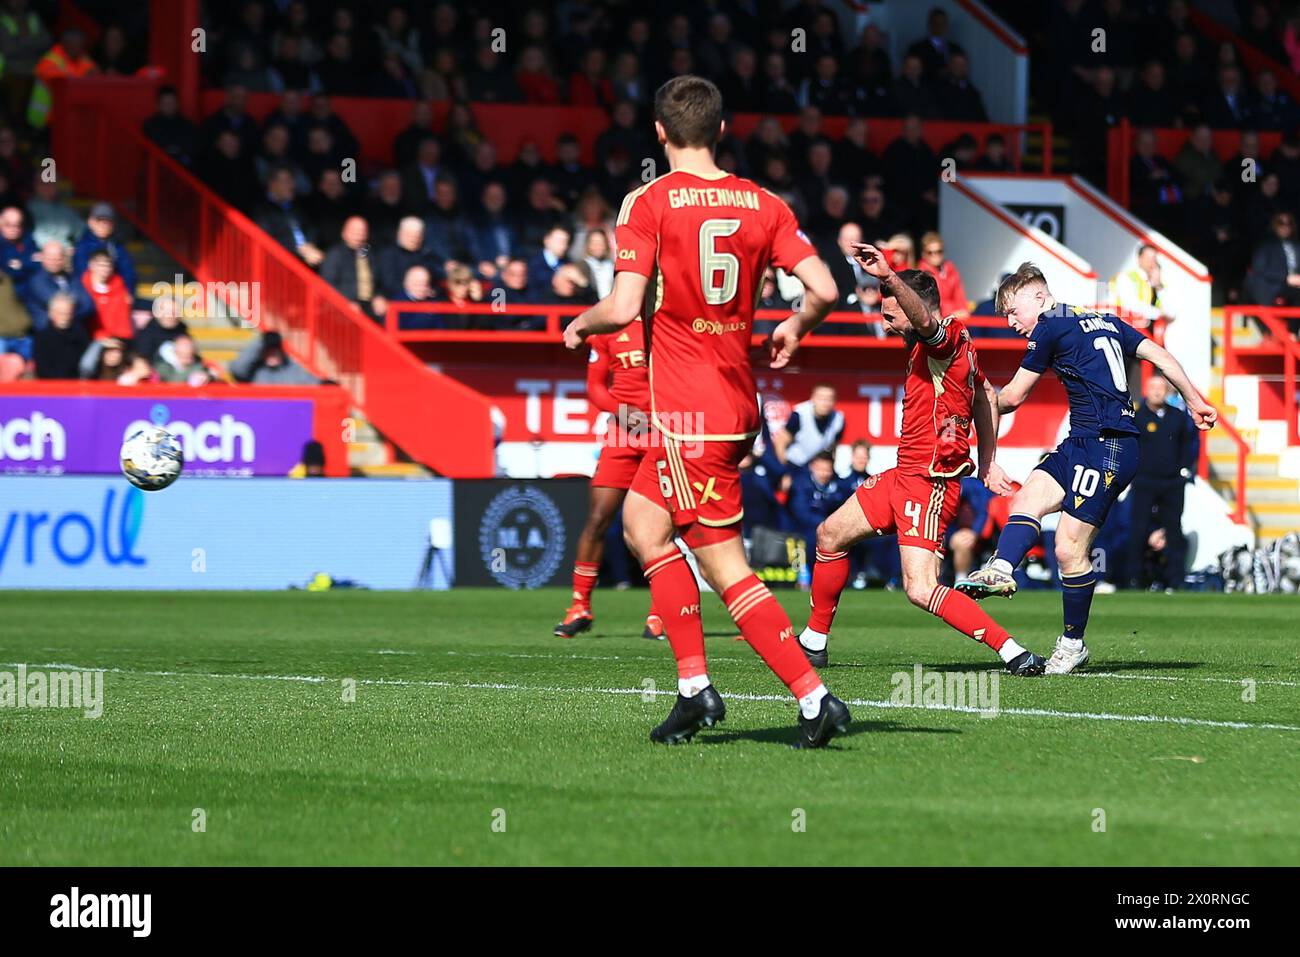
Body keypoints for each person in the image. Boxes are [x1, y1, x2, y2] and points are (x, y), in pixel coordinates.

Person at [562, 75, 850, 748]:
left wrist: (582, 322)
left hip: (688, 413)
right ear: (722, 130)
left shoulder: (647, 202)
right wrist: (796, 327)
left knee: (724, 566)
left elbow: (625, 306)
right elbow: (827, 286)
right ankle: (694, 688)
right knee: (641, 522)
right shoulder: (764, 202)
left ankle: (814, 698)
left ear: (659, 133)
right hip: (733, 400)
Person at [957, 263, 1216, 674]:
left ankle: (1072, 643)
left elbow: (1013, 398)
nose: (1010, 322)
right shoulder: (1103, 319)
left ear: (1038, 298)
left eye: (1012, 311)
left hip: (1110, 445)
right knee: (1028, 497)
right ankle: (1001, 568)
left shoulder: (1049, 326)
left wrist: (970, 401)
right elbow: (1160, 355)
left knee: (1068, 549)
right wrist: (1196, 400)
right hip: (1083, 441)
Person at [796, 254, 1042, 675]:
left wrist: (889, 275)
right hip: (901, 476)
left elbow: (929, 328)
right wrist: (988, 461)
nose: (886, 324)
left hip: (929, 483)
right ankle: (813, 642)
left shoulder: (941, 339)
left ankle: (1014, 652)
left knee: (920, 588)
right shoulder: (949, 346)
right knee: (829, 534)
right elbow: (984, 394)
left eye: (891, 314)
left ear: (917, 308)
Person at [553, 314, 663, 642]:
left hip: (665, 431)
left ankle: (661, 611)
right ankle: (580, 607)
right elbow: (596, 388)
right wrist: (628, 417)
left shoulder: (673, 323)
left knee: (661, 527)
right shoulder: (609, 326)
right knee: (598, 520)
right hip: (622, 433)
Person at [1126, 376, 1198, 591]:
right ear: (1147, 389)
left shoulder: (1177, 417)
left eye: (1162, 388)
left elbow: (1189, 445)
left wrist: (1183, 471)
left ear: (1167, 391)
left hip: (1171, 483)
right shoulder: (1138, 417)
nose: (1158, 392)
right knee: (1138, 530)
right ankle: (1134, 579)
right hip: (1144, 481)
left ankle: (1175, 580)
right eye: (1154, 388)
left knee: (1173, 530)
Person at [772, 383, 843, 469]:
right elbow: (780, 442)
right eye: (821, 398)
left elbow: (834, 447)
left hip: (819, 471)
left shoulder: (838, 418)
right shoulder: (800, 414)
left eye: (829, 399)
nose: (825, 403)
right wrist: (784, 472)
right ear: (812, 398)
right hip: (795, 466)